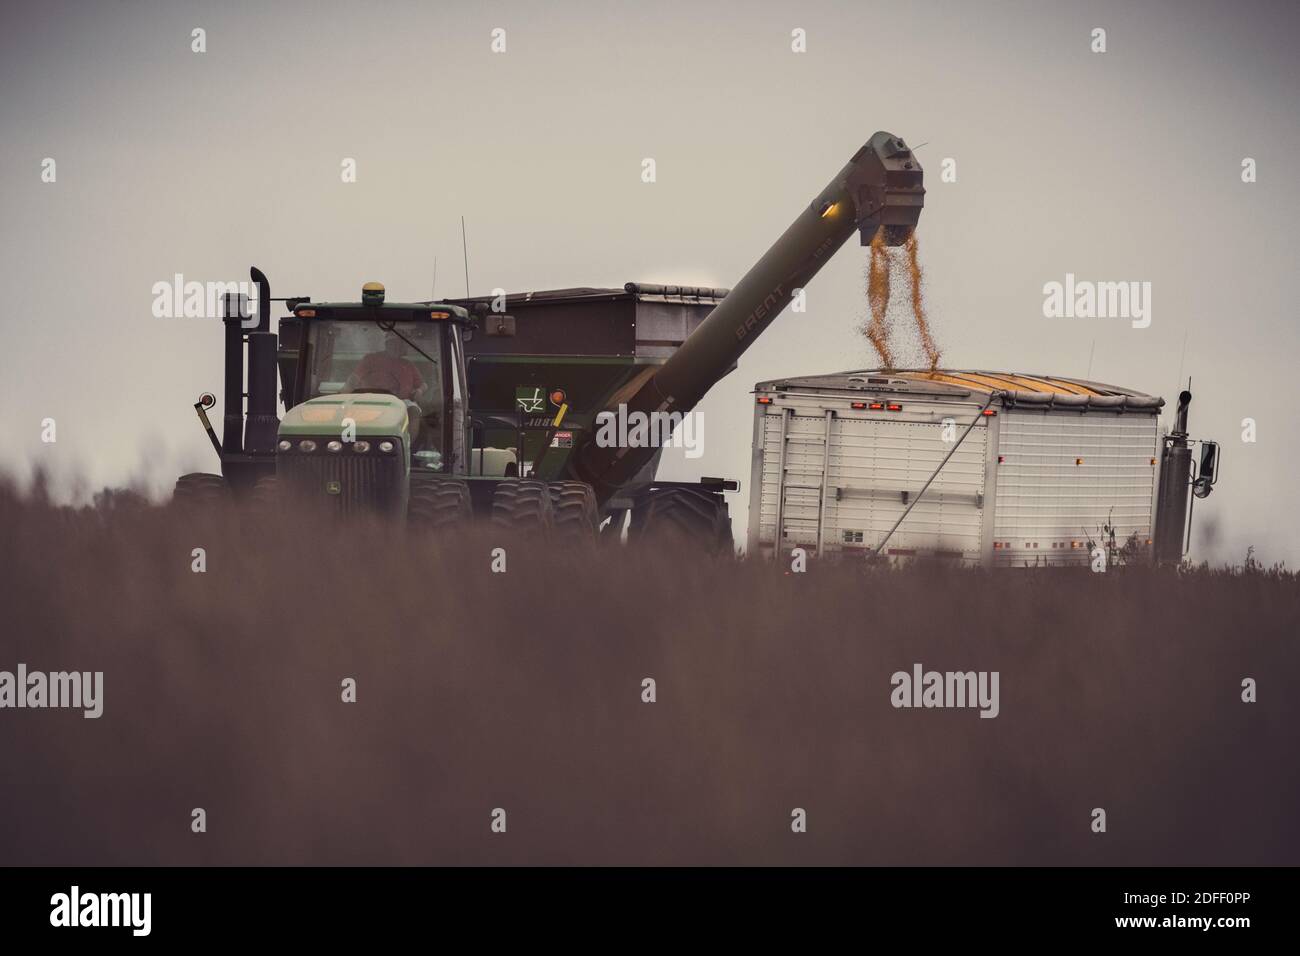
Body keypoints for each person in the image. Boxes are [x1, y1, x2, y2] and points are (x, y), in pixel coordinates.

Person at [347, 336, 426, 402]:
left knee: (414, 410)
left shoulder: (408, 365)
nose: (397, 347)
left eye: (401, 344)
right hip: (371, 402)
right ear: (387, 344)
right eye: (394, 343)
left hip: (402, 404)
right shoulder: (371, 359)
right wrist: (344, 392)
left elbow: (423, 385)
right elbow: (354, 379)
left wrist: (420, 391)